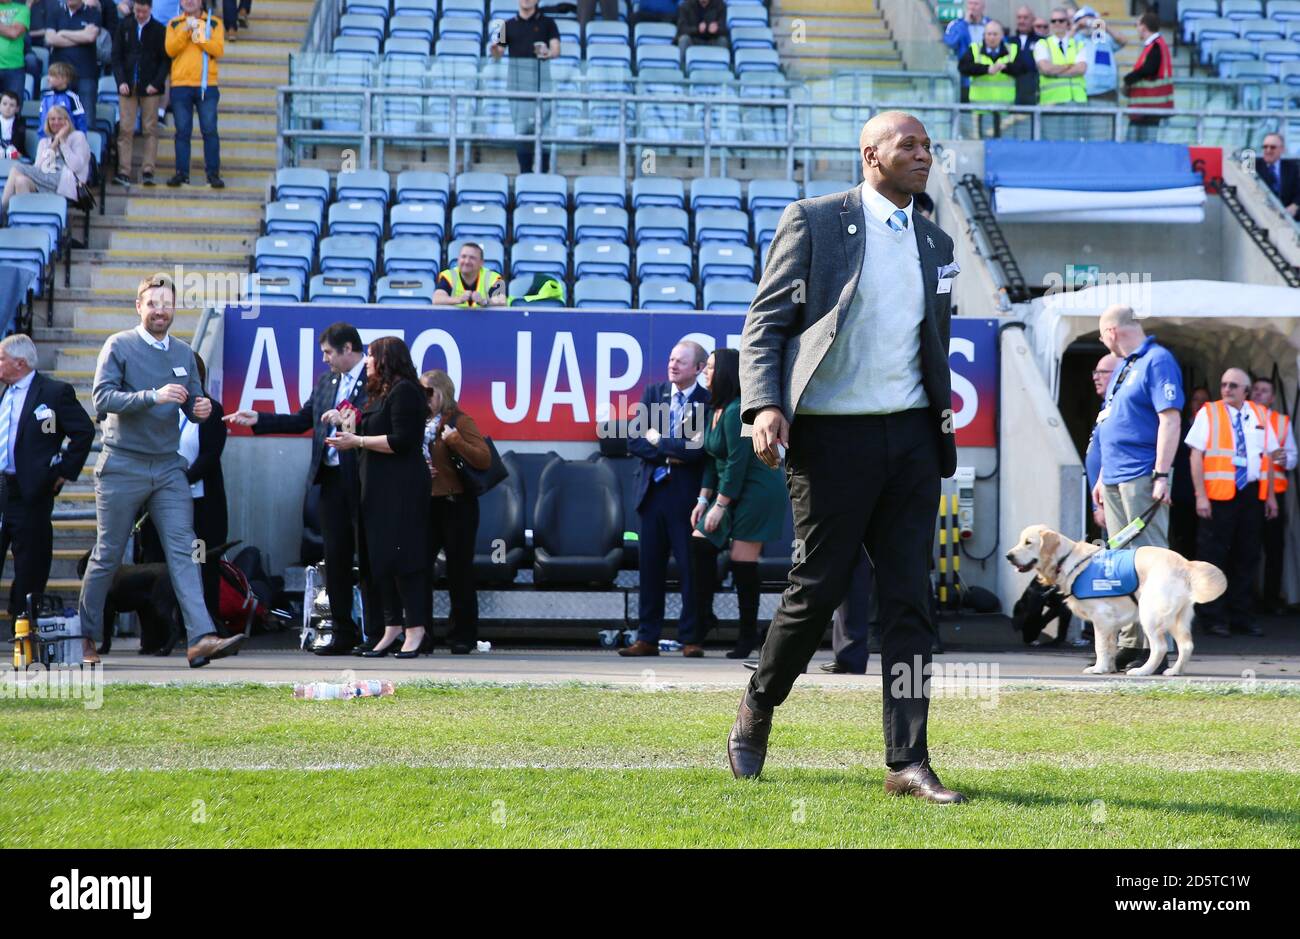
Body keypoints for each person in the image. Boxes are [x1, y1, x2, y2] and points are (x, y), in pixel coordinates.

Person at [732, 111, 965, 803]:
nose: (923, 155)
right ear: (871, 154)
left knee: (909, 603)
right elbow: (764, 324)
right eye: (909, 145)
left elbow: (932, 339)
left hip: (914, 440)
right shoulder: (815, 220)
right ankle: (759, 701)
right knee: (817, 591)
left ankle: (908, 759)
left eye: (928, 146)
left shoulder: (937, 240)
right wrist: (765, 405)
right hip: (832, 439)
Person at [78, 274, 243, 667]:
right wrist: (152, 396)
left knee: (184, 552)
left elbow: (194, 404)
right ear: (139, 306)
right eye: (153, 303)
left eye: (167, 304)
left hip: (168, 467)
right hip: (122, 463)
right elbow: (101, 397)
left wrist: (200, 410)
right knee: (107, 554)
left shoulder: (184, 353)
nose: (160, 311)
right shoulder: (118, 345)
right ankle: (85, 637)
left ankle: (201, 637)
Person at [226, 322, 370, 655]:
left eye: (329, 353)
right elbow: (302, 419)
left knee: (370, 557)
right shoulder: (327, 382)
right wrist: (259, 420)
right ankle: (342, 631)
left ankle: (376, 631)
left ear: (348, 349)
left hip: (364, 480)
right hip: (331, 479)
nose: (325, 360)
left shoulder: (374, 380)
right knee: (334, 558)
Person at [325, 336, 432, 659]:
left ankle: (415, 629)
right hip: (376, 490)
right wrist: (349, 424)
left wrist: (357, 440)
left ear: (387, 358)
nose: (368, 361)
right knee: (381, 560)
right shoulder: (381, 393)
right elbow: (372, 429)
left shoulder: (407, 392)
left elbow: (402, 441)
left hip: (401, 491)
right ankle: (391, 627)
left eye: (372, 356)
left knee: (405, 560)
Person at [1092, 304, 1182, 671]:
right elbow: (1111, 422)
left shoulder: (1157, 360)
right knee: (1122, 567)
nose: (1103, 341)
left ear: (1112, 331)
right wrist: (1101, 477)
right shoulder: (1126, 366)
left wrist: (1161, 475)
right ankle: (1131, 643)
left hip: (1141, 475)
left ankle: (1157, 648)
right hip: (1114, 477)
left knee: (1153, 564)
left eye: (1102, 335)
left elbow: (1170, 419)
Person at [688, 347, 785, 660]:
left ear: (727, 371)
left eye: (712, 367)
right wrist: (704, 500)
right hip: (730, 490)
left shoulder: (739, 410)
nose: (706, 371)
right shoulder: (715, 409)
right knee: (700, 544)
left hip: (757, 492)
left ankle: (747, 636)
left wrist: (720, 505)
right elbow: (710, 460)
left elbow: (737, 462)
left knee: (743, 562)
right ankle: (704, 616)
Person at [619, 341, 710, 657]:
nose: (673, 365)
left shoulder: (705, 401)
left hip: (686, 498)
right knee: (650, 569)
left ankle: (691, 639)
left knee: (690, 570)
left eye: (681, 361)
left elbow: (697, 450)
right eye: (671, 359)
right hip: (652, 494)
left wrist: (659, 441)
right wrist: (672, 451)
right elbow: (634, 441)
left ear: (698, 368)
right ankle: (647, 637)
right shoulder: (653, 394)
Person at [0, 334, 94, 625]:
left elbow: (83, 431)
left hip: (30, 492)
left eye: (1, 358)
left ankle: (22, 626)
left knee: (30, 564)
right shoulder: (4, 392)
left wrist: (63, 471)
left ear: (20, 362)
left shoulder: (53, 393)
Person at [1186, 368, 1279, 638]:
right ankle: (1212, 617)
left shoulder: (1259, 415)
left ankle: (1241, 615)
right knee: (1213, 557)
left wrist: (1270, 495)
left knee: (1247, 555)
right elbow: (1195, 456)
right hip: (1217, 496)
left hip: (1249, 494)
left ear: (1246, 391)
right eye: (1224, 384)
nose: (1227, 389)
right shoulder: (1209, 412)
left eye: (1234, 386)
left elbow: (1269, 458)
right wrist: (1200, 495)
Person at [139, 352, 226, 620]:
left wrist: (175, 480)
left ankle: (205, 628)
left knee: (201, 563)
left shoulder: (210, 409)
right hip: (158, 503)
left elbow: (210, 456)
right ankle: (157, 635)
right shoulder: (155, 408)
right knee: (155, 566)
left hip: (200, 506)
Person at [420, 369, 491, 655]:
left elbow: (483, 458)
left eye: (428, 393)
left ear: (442, 393)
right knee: (420, 569)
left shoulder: (460, 421)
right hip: (426, 504)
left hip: (456, 504)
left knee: (459, 572)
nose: (424, 399)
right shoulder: (417, 421)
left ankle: (462, 636)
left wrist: (454, 441)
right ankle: (420, 634)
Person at [489, 0, 559, 174]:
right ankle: (525, 173)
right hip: (518, 88)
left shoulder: (548, 23)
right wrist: (494, 50)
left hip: (541, 85)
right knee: (521, 130)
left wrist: (547, 53)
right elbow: (498, 54)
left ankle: (543, 173)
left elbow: (556, 50)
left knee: (543, 130)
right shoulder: (507, 25)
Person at [165, 0, 224, 188]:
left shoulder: (213, 22)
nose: (189, 1)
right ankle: (182, 174)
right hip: (181, 85)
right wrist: (185, 31)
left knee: (209, 130)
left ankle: (213, 174)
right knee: (182, 132)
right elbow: (170, 49)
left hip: (207, 85)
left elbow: (217, 50)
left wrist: (197, 33)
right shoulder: (174, 23)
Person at [1249, 376, 1296, 613]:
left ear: (1273, 397)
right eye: (1255, 389)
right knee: (1247, 549)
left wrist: (1285, 458)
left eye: (1264, 391)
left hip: (1274, 494)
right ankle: (1245, 598)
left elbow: (1293, 456)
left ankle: (1270, 599)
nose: (1258, 394)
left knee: (1274, 548)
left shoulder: (1280, 422)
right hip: (1248, 493)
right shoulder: (1241, 418)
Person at [111, 0, 167, 187]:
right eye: (137, 11)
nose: (140, 15)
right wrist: (121, 82)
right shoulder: (125, 25)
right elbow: (116, 56)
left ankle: (148, 169)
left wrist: (156, 83)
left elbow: (165, 61)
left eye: (143, 11)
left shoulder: (159, 29)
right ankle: (124, 171)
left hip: (150, 85)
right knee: (125, 129)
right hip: (128, 84)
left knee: (149, 129)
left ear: (150, 9)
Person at [1, 105, 90, 211]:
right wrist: (54, 143)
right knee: (21, 181)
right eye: (52, 119)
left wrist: (61, 142)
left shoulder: (78, 137)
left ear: (67, 121)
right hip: (46, 180)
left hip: (67, 182)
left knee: (16, 168)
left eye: (60, 119)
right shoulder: (44, 142)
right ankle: (27, 221)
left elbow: (76, 166)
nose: (56, 122)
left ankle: (2, 212)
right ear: (48, 122)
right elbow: (39, 168)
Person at [958, 20, 1029, 139]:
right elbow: (963, 67)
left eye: (995, 34)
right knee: (979, 143)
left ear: (1002, 36)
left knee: (1004, 145)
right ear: (984, 35)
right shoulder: (974, 49)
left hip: (1005, 110)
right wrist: (986, 69)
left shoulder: (1013, 49)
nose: (991, 38)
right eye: (989, 34)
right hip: (980, 110)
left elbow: (1023, 68)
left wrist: (1006, 67)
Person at [1169, 385, 1209, 560]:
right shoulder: (1179, 427)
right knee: (1183, 536)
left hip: (1209, 492)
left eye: (1204, 400)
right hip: (1182, 491)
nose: (1199, 404)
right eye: (1195, 399)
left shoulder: (1216, 428)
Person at [1121, 10, 1171, 141]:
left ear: (1143, 27)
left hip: (1148, 105)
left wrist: (1128, 80)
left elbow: (1148, 69)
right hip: (1147, 106)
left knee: (1141, 144)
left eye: (1137, 25)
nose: (1136, 29)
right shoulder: (1157, 45)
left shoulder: (1155, 46)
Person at [1034, 6, 1087, 131]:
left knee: (1076, 145)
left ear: (1068, 23)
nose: (1057, 23)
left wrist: (1055, 72)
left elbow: (1081, 68)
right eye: (1053, 21)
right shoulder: (1042, 44)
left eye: (1061, 20)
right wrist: (1069, 66)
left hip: (1077, 102)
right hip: (1052, 102)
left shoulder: (1078, 44)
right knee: (1052, 145)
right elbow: (1046, 68)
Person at [1085, 351, 1121, 531]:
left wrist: (1102, 505)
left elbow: (1113, 455)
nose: (1096, 377)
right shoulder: (1105, 408)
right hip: (1103, 501)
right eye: (1095, 373)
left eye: (1103, 372)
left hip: (1112, 501)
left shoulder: (1119, 409)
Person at [44, 0, 100, 116]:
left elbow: (90, 37)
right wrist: (81, 36)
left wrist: (63, 32)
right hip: (59, 74)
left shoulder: (93, 13)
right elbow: (50, 39)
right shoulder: (55, 12)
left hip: (85, 74)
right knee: (57, 117)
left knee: (86, 117)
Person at [1072, 6, 1122, 105]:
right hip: (1080, 92)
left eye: (1091, 19)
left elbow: (1123, 40)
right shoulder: (1075, 38)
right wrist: (1077, 26)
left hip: (1105, 93)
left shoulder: (1104, 38)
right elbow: (1063, 43)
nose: (1088, 24)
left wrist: (1103, 26)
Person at [433, 242, 506, 307]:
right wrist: (458, 299)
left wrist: (483, 301)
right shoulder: (448, 275)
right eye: (463, 257)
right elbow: (437, 299)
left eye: (472, 258)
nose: (467, 261)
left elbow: (501, 300)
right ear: (458, 259)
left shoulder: (493, 277)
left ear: (481, 262)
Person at [943, 0, 989, 103]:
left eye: (976, 4)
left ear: (983, 7)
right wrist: (965, 23)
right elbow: (950, 42)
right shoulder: (956, 24)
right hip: (963, 78)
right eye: (970, 3)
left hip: (984, 76)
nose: (972, 7)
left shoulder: (990, 25)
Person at [1255, 133, 1299, 219]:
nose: (1268, 150)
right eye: (1265, 147)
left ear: (1282, 149)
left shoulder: (1292, 167)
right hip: (1262, 216)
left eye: (1272, 147)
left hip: (1288, 218)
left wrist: (1295, 205)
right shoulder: (1254, 167)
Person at [37, 62, 88, 135]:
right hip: (48, 140)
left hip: (69, 140)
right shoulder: (46, 98)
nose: (48, 78)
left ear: (64, 79)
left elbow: (80, 121)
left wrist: (80, 139)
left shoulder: (72, 98)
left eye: (52, 76)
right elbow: (42, 121)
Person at [1008, 5, 1039, 105]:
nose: (1022, 21)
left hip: (1034, 93)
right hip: (1012, 93)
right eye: (1019, 17)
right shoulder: (1008, 41)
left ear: (1032, 20)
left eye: (1025, 18)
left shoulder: (1041, 42)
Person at [0, 0, 28, 102]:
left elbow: (14, 32)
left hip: (14, 68)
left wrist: (9, 30)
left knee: (14, 110)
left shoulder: (22, 9)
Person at [0, 89, 26, 158]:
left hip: (13, 150)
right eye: (4, 104)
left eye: (11, 105)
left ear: (17, 109)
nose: (8, 107)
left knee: (13, 153)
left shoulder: (20, 123)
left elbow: (19, 141)